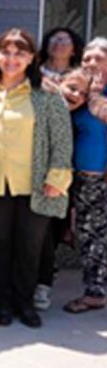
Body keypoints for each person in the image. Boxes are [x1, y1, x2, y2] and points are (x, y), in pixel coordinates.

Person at [0, 28, 72, 328]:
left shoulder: (46, 96)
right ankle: (0, 303)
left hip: (36, 185)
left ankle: (24, 302)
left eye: (20, 53)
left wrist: (58, 177)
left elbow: (63, 140)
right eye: (6, 52)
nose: (12, 59)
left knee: (30, 247)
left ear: (31, 58)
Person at [34, 26, 84, 309]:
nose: (58, 43)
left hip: (65, 156)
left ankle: (44, 281)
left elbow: (77, 104)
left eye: (65, 39)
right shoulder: (33, 72)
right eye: (53, 38)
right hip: (31, 155)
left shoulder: (79, 78)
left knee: (53, 221)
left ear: (74, 48)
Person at [54, 68, 107, 315]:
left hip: (98, 178)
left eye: (99, 58)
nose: (93, 63)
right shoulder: (77, 103)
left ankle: (95, 293)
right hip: (76, 178)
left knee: (94, 237)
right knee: (85, 235)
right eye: (88, 58)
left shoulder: (99, 102)